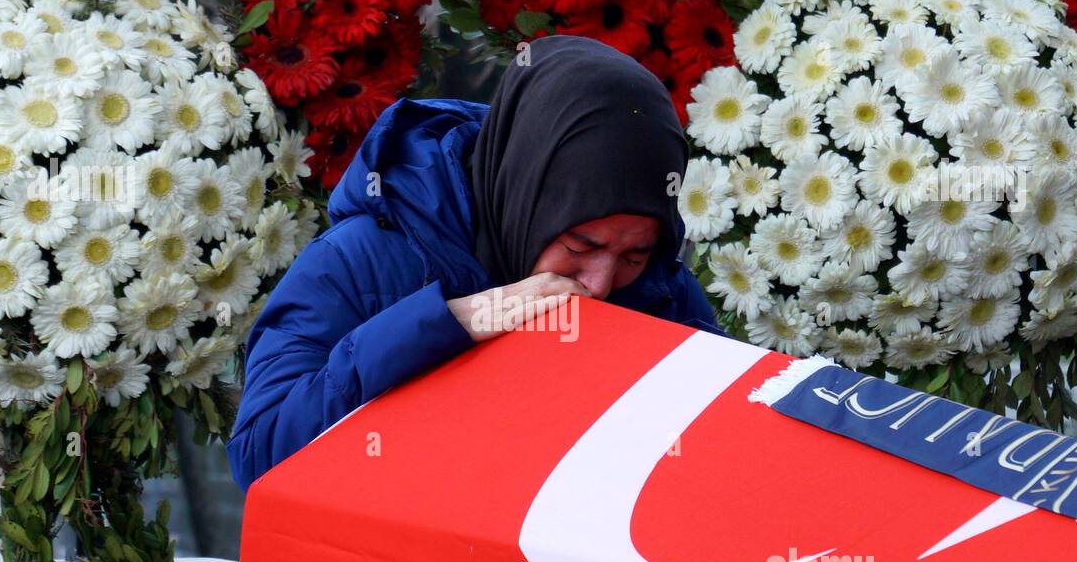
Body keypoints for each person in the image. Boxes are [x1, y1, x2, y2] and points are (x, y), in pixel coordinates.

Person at [228, 36, 721, 491]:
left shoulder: (662, 290)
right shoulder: (358, 261)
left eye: (633, 254)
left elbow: (725, 459)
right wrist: (449, 322)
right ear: (526, 195)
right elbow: (263, 457)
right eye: (580, 245)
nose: (599, 283)